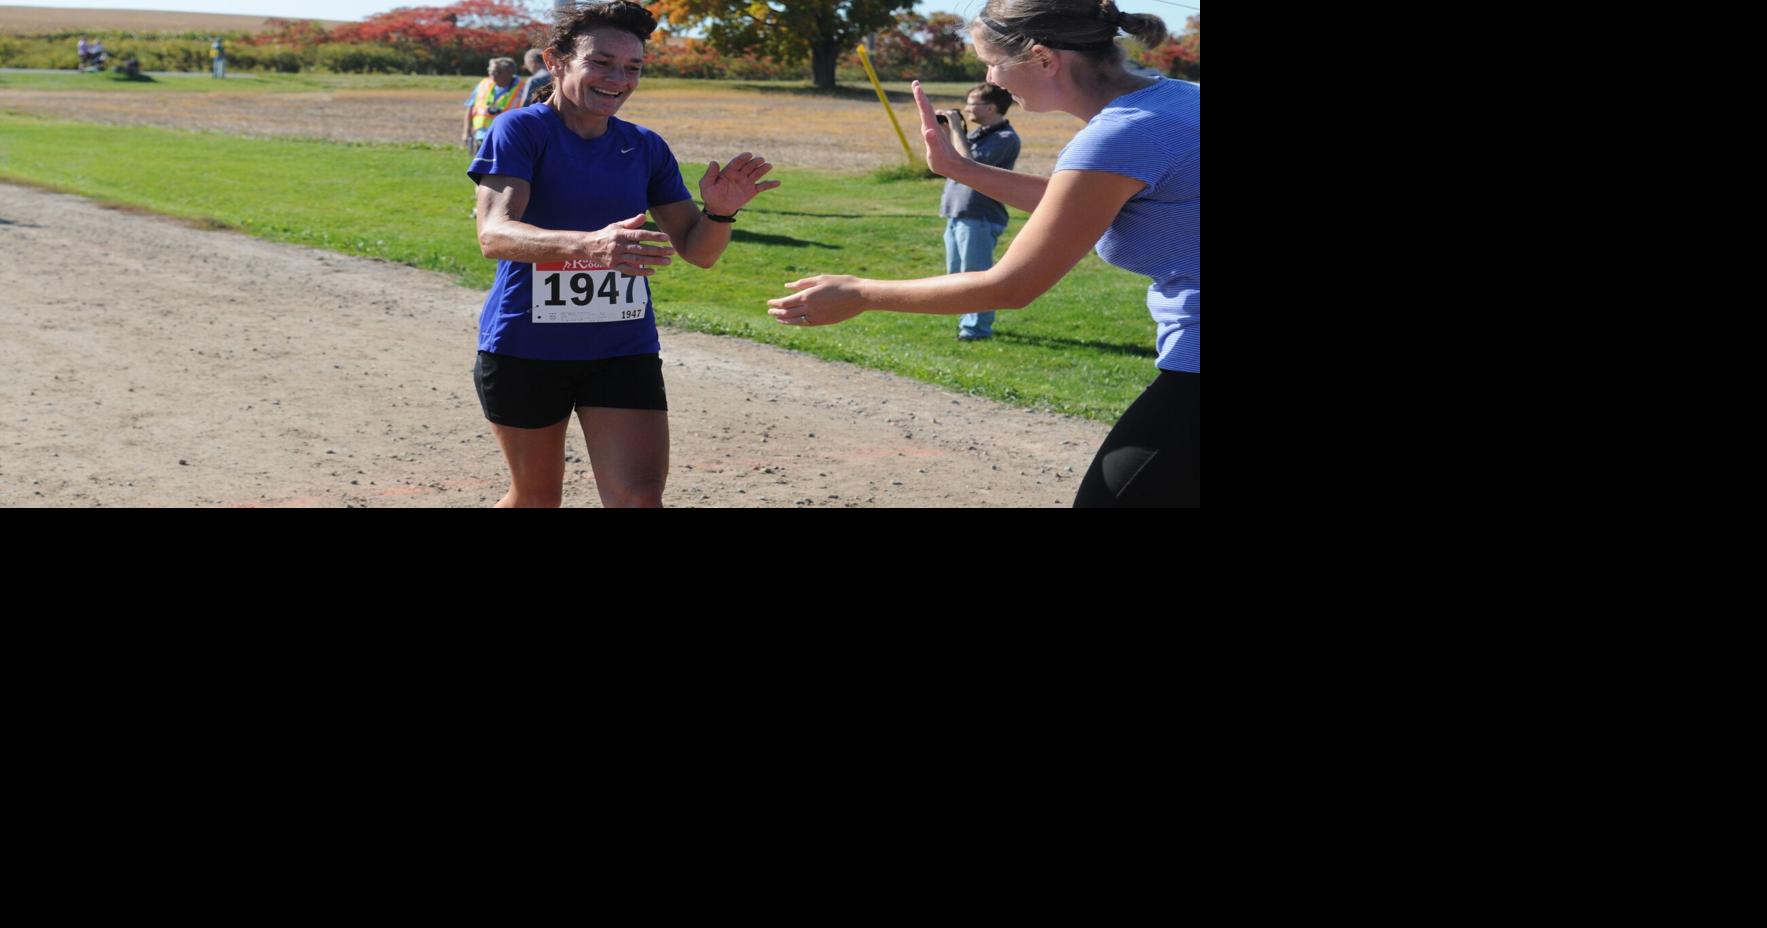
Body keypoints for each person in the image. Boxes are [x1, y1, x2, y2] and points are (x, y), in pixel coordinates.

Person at [767, 0, 1199, 507]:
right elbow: (1084, 206)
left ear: (1042, 57)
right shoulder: (1179, 100)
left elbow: (1010, 287)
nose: (990, 78)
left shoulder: (1119, 135)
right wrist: (962, 168)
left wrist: (861, 293)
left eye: (991, 62)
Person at [469, 1, 779, 508]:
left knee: (638, 499)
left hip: (621, 346)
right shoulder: (522, 131)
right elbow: (494, 235)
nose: (619, 78)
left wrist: (719, 213)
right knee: (536, 498)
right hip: (526, 346)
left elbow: (699, 253)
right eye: (602, 62)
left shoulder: (644, 146)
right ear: (556, 61)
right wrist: (589, 247)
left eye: (632, 67)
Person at [934, 82, 1020, 341]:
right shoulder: (978, 134)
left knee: (977, 275)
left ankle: (976, 330)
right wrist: (944, 131)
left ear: (990, 107)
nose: (967, 107)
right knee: (957, 275)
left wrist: (959, 130)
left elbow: (968, 165)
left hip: (980, 216)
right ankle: (965, 323)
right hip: (957, 212)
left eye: (972, 103)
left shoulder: (1005, 138)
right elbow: (947, 161)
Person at [462, 57, 528, 153]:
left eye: (496, 71)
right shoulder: (483, 84)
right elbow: (470, 107)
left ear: (509, 73)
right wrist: (466, 132)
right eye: (490, 71)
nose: (491, 74)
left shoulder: (523, 89)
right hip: (481, 137)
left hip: (508, 138)